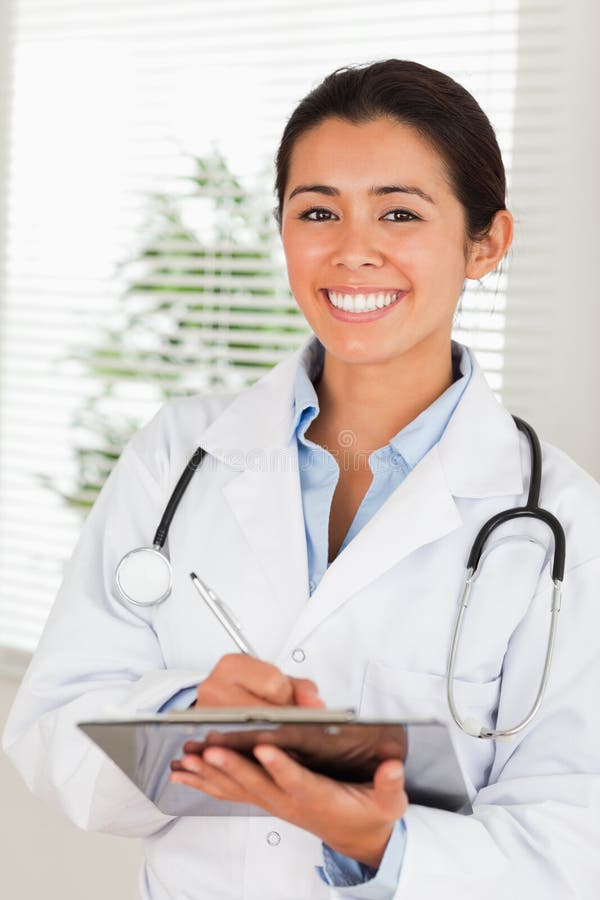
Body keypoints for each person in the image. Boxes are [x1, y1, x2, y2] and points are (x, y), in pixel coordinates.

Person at [3, 59, 600, 900]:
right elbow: (53, 728)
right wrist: (186, 718)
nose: (353, 250)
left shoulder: (564, 526)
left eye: (399, 212)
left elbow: (575, 840)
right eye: (317, 211)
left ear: (486, 243)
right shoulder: (176, 456)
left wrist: (378, 842)